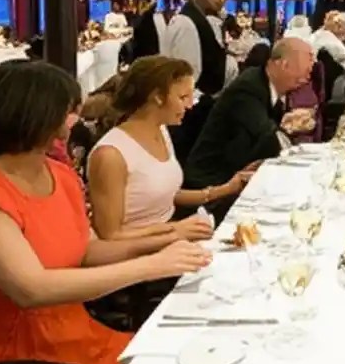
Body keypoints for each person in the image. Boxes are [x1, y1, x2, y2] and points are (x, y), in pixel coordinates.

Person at [0, 61, 210, 364]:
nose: (74, 120)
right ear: (36, 115)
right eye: (68, 111)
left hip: (67, 335)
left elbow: (87, 251)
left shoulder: (58, 175)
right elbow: (31, 289)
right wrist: (153, 266)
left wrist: (166, 241)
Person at [88, 57, 246, 242]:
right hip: (137, 256)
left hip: (169, 239)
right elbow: (110, 236)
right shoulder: (110, 155)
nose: (190, 105)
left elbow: (165, 193)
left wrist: (226, 189)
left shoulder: (161, 130)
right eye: (182, 97)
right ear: (157, 96)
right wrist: (174, 230)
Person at [183, 37, 316, 221]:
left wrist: (286, 127)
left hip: (241, 176)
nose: (310, 73)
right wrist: (287, 130)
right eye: (306, 66)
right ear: (284, 65)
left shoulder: (273, 90)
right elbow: (267, 139)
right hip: (213, 187)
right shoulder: (248, 89)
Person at [162, 0, 231, 158]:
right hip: (191, 115)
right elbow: (185, 76)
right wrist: (202, 103)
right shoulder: (187, 24)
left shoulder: (201, 20)